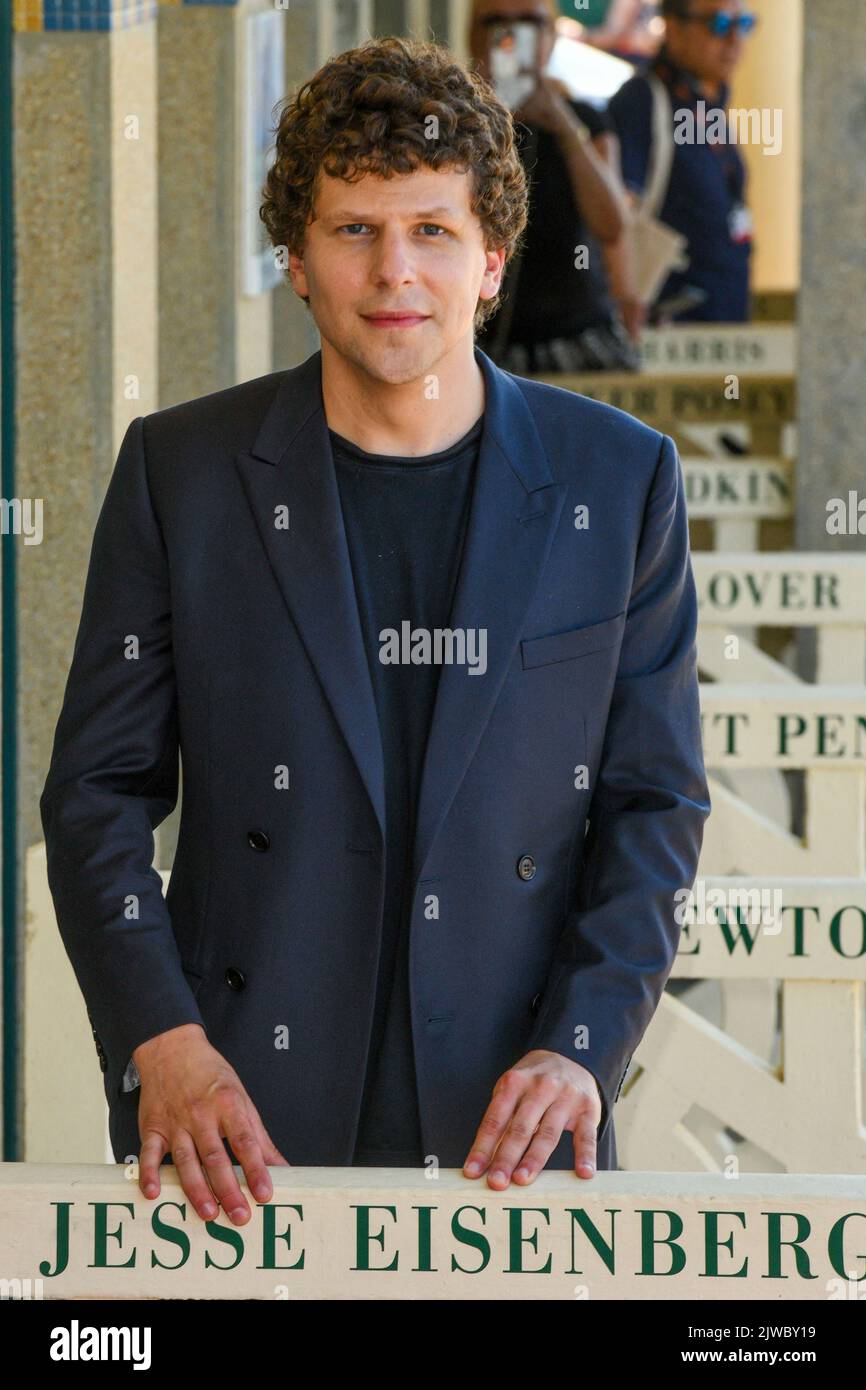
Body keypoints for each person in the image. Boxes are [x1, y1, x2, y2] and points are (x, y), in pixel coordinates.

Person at [40, 35, 710, 1227]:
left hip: (514, 1113)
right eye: (353, 230)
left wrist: (581, 1044)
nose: (393, 270)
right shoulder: (180, 475)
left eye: (431, 230)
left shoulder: (622, 482)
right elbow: (94, 791)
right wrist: (162, 1038)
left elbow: (654, 805)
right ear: (295, 259)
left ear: (493, 257)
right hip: (234, 1115)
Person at [469, 0, 640, 371]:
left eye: (530, 23)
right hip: (484, 340)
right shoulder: (458, 125)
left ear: (551, 35)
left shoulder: (583, 121)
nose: (513, 37)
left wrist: (564, 127)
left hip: (575, 333)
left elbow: (612, 225)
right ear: (472, 35)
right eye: (496, 22)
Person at [609, 0, 757, 322]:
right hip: (665, 335)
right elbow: (612, 216)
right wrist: (626, 299)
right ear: (673, 29)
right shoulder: (641, 101)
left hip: (725, 330)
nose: (735, 39)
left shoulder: (710, 106)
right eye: (718, 24)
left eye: (744, 23)